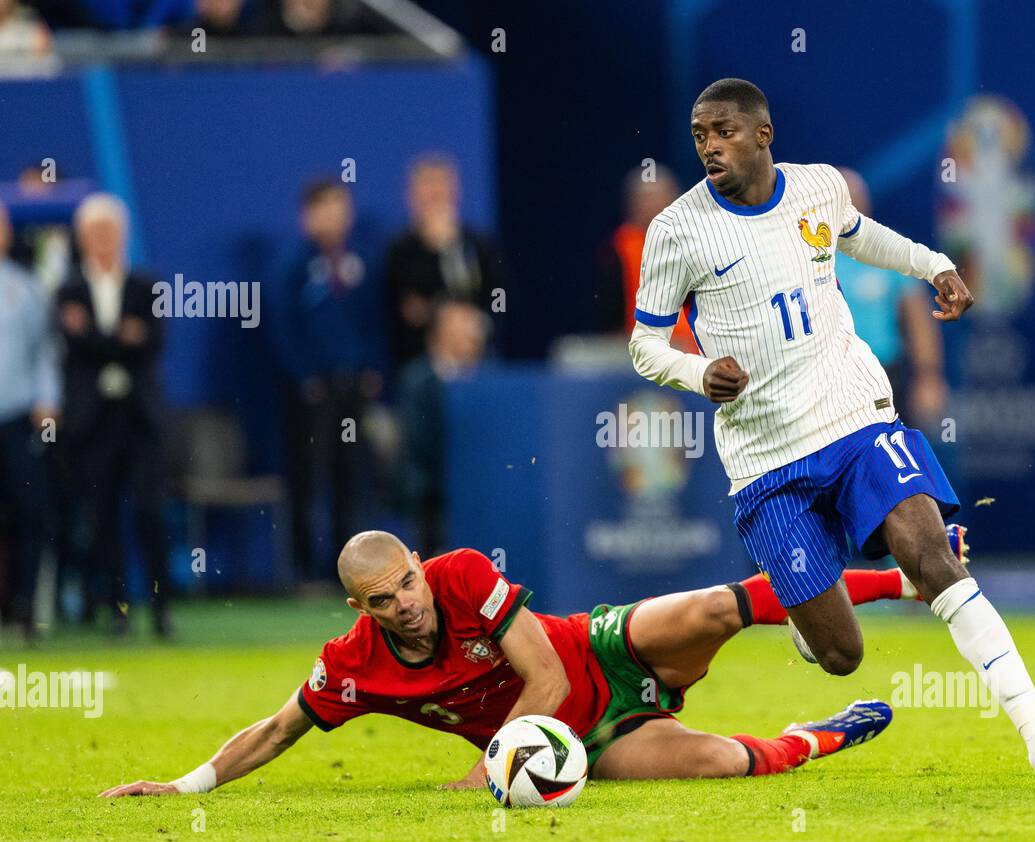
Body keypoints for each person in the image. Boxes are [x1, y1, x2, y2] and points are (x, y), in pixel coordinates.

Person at [628, 78, 1035, 789]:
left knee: (932, 554)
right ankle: (814, 615)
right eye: (699, 135)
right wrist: (696, 375)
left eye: (722, 131)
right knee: (842, 653)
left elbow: (862, 236)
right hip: (764, 456)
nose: (709, 147)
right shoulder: (677, 230)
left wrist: (933, 264)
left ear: (763, 134)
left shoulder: (818, 189)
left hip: (853, 413)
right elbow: (645, 344)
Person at [98, 529, 976, 798]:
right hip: (590, 742)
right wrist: (186, 789)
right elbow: (281, 727)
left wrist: (493, 768)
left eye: (408, 581)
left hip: (595, 648)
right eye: (386, 599)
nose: (409, 601)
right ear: (360, 610)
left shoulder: (462, 576)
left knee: (715, 607)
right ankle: (814, 739)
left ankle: (904, 577)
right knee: (719, 764)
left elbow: (546, 681)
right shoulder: (355, 667)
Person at [57, 193, 172, 638]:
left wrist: (95, 337)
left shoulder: (146, 285)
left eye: (110, 232)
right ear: (82, 239)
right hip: (92, 421)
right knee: (102, 517)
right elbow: (74, 348)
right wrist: (121, 339)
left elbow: (152, 343)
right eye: (94, 233)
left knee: (150, 512)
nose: (103, 241)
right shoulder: (68, 290)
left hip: (140, 418)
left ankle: (162, 611)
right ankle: (116, 611)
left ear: (122, 236)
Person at [270, 181, 385, 581]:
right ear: (309, 215)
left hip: (353, 387)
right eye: (326, 209)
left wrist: (373, 367)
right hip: (312, 392)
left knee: (350, 476)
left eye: (341, 208)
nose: (335, 218)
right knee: (308, 476)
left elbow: (375, 319)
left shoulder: (362, 260)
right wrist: (304, 376)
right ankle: (304, 570)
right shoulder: (292, 263)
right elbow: (283, 325)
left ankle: (352, 571)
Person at [835, 168, 947, 427]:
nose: (851, 207)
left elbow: (918, 319)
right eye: (843, 200)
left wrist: (928, 377)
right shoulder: (812, 256)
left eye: (856, 199)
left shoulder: (887, 252)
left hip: (886, 376)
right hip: (830, 381)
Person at [384, 155, 506, 368]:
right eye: (428, 189)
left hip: (477, 359)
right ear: (412, 197)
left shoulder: (477, 245)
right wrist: (435, 253)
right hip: (420, 363)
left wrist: (483, 322)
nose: (436, 196)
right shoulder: (400, 251)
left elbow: (500, 298)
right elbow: (403, 309)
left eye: (441, 188)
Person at [0, 200, 58, 641]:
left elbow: (45, 352)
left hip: (17, 418)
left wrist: (46, 399)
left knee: (30, 511)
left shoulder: (27, 288)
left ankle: (23, 608)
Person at [396, 296, 491, 552]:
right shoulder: (417, 380)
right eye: (461, 323)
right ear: (440, 332)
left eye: (473, 323)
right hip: (434, 489)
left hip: (483, 484)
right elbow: (417, 445)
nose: (472, 330)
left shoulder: (491, 377)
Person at [595, 166, 696, 350]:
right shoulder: (618, 250)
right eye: (645, 200)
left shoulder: (699, 244)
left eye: (660, 198)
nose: (652, 206)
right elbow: (609, 318)